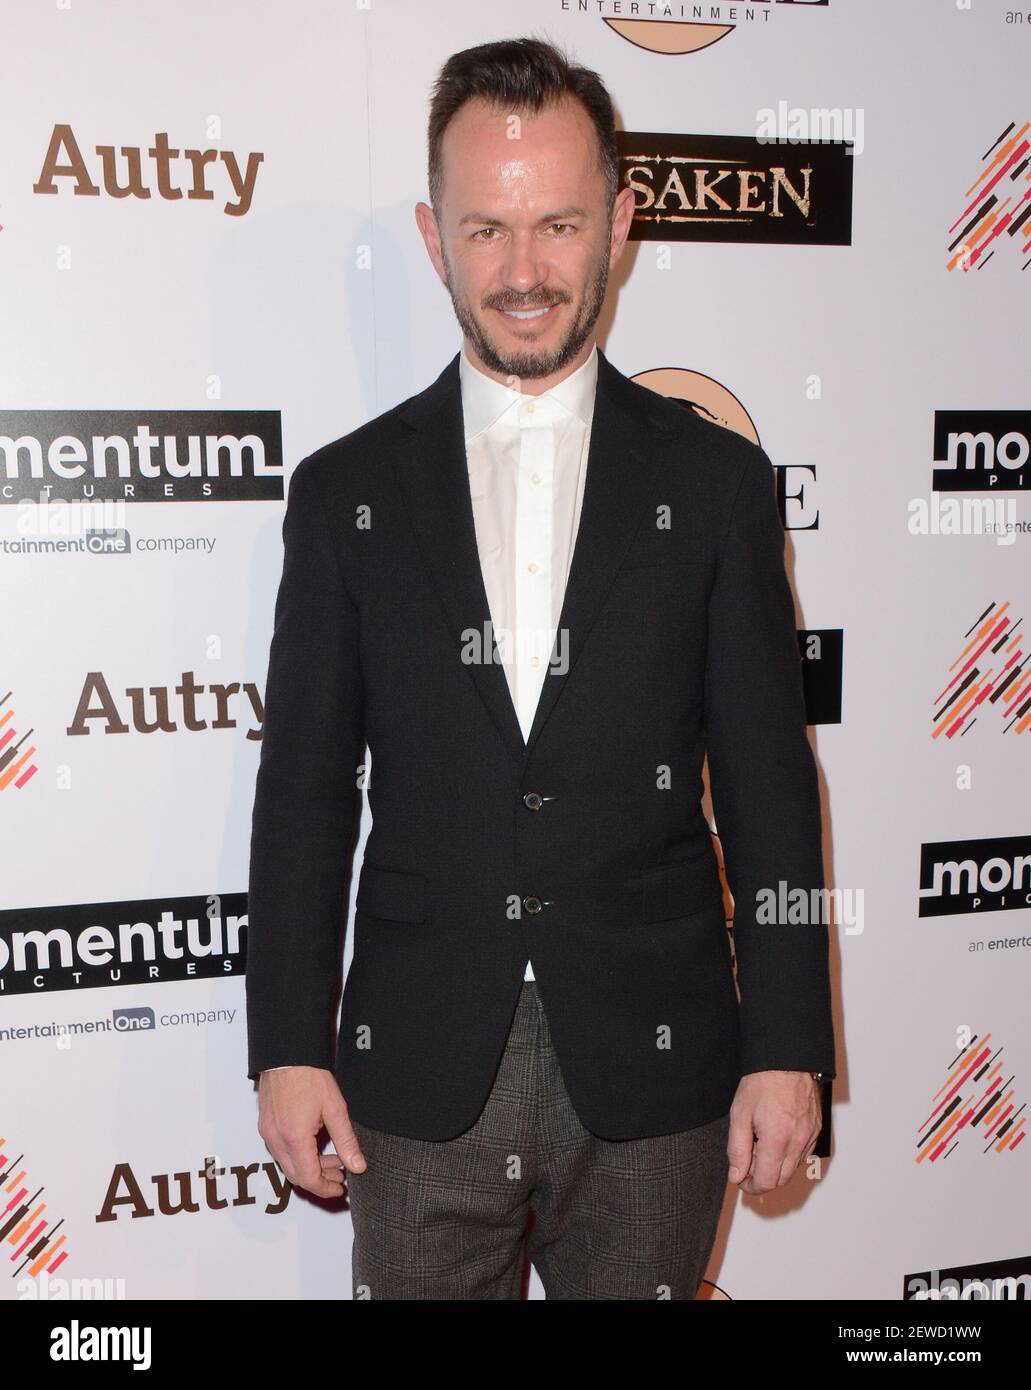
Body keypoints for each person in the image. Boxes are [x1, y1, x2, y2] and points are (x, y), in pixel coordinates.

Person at [245, 35, 835, 1300]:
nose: (523, 273)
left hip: (655, 1069)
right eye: (485, 230)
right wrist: (285, 1044)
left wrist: (787, 1042)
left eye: (558, 224)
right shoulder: (345, 493)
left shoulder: (715, 485)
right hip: (412, 1066)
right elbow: (301, 791)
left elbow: (770, 786)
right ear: (430, 233)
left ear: (620, 223)